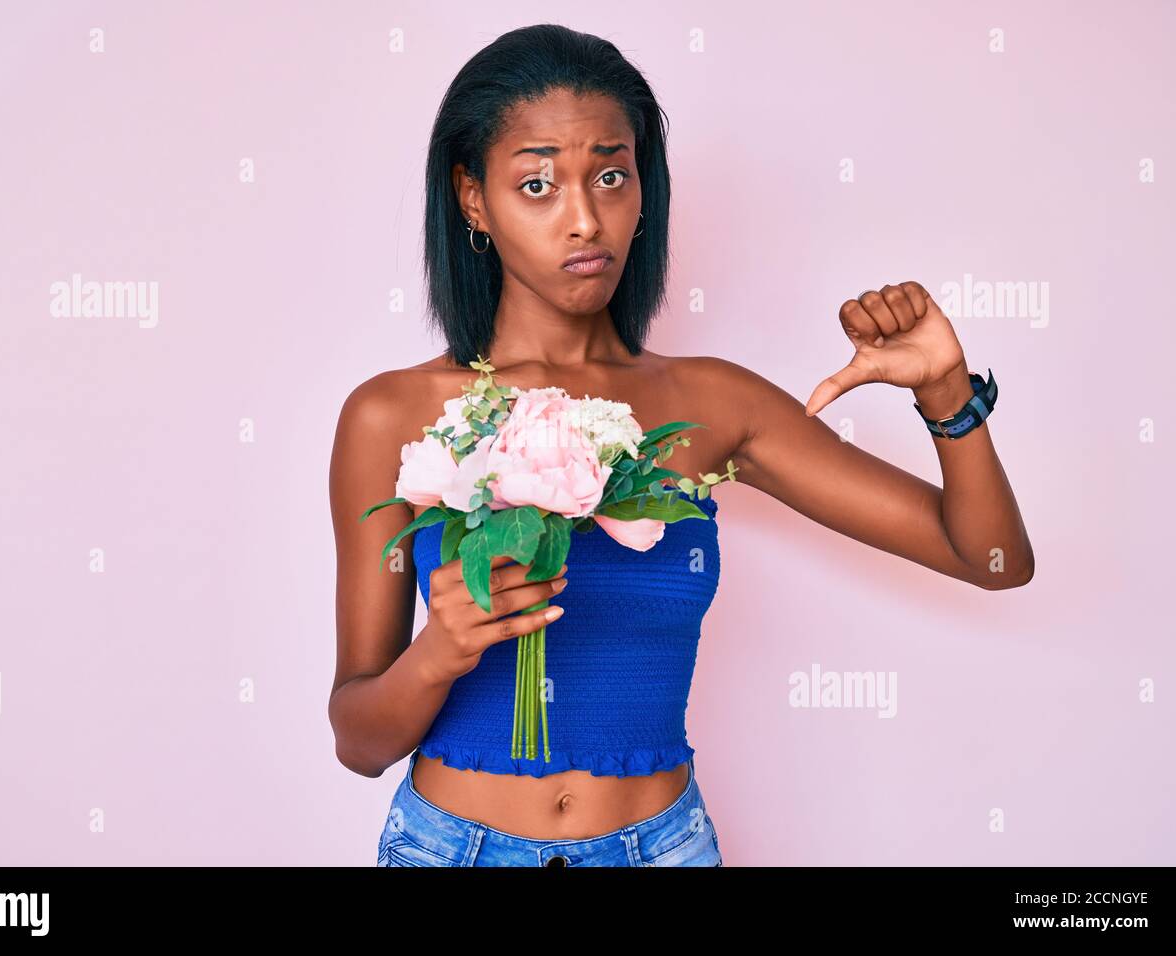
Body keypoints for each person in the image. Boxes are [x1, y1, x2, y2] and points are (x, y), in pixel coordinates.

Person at [327, 24, 1034, 867]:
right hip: (449, 849)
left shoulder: (707, 403)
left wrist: (947, 393)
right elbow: (359, 740)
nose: (585, 219)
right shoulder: (391, 415)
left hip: (662, 849)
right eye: (539, 183)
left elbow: (990, 557)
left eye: (611, 176)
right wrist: (438, 652)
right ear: (474, 199)